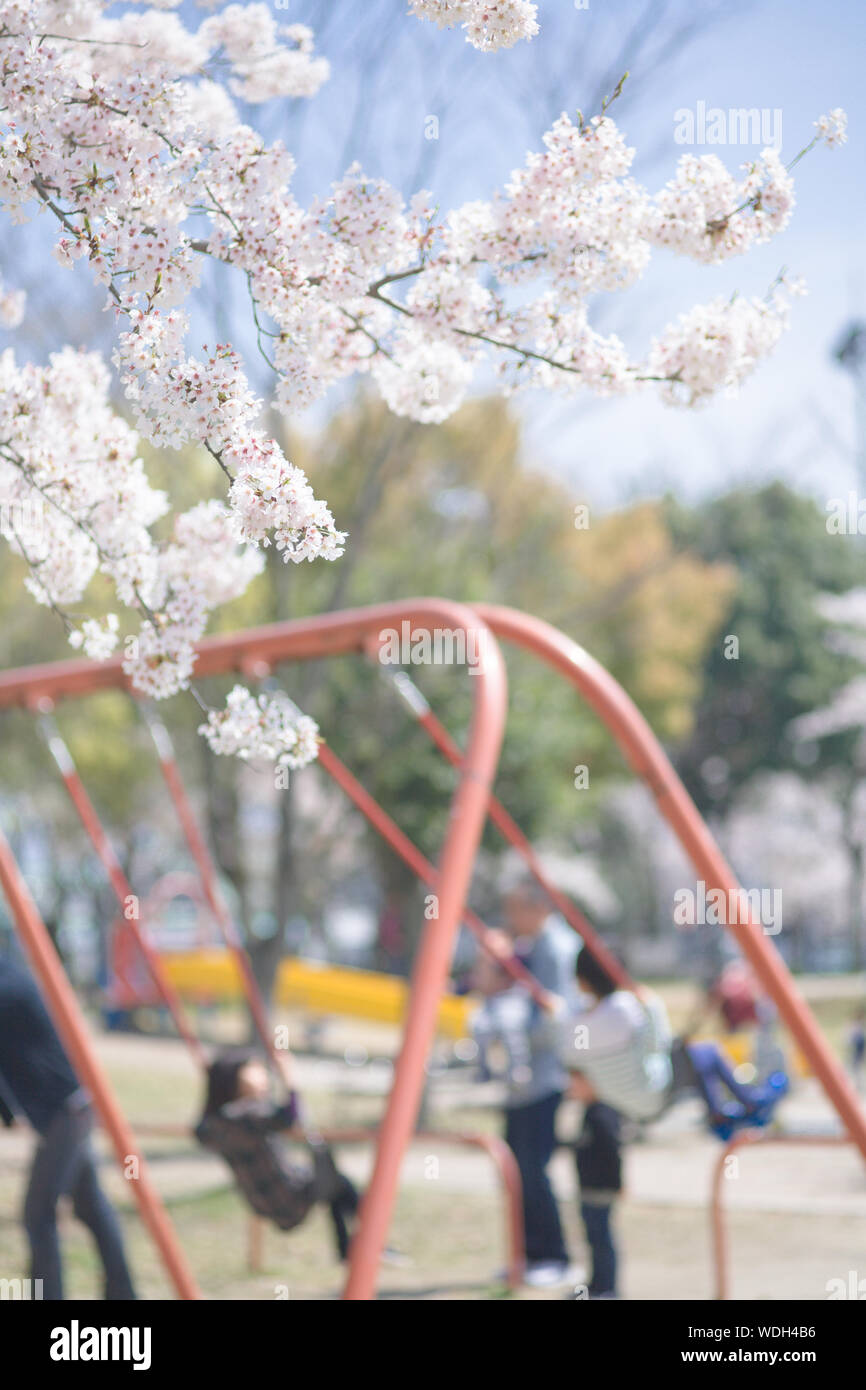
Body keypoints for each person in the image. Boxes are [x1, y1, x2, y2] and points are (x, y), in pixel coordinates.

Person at [0, 953, 137, 1301]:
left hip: (64, 1110)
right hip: (70, 1106)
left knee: (38, 1214)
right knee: (91, 1206)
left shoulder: (8, 980)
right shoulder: (12, 969)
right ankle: (123, 1293)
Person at [194, 1048, 361, 1259]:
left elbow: (201, 1134)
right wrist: (288, 1076)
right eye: (255, 1071)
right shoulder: (245, 1114)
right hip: (288, 1198)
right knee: (340, 1183)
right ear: (235, 1076)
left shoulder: (215, 1123)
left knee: (336, 1186)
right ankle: (369, 1240)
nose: (263, 1077)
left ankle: (347, 1248)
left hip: (263, 1203)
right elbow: (289, 1116)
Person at [494, 878, 577, 1287]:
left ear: (538, 908)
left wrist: (516, 1028)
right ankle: (524, 1251)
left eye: (516, 908)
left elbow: (558, 1017)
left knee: (534, 1166)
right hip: (523, 1077)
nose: (510, 918)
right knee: (515, 1167)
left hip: (545, 1077)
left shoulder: (557, 950)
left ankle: (553, 1255)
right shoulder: (530, 948)